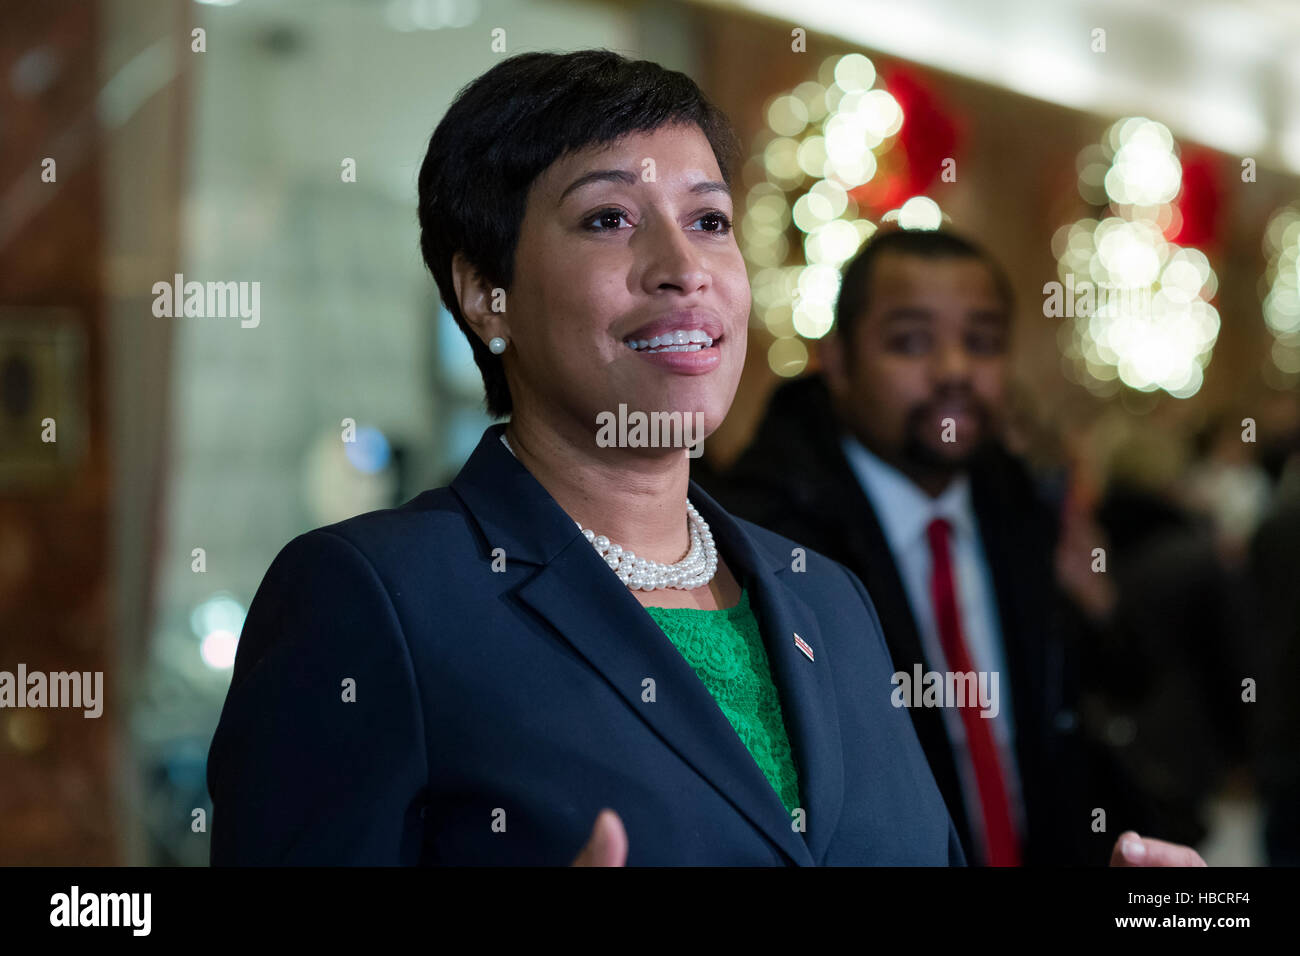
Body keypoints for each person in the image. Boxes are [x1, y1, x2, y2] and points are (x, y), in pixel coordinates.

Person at [205, 49, 964, 866]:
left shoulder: (832, 603)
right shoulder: (377, 599)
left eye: (709, 221)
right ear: (483, 294)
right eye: (609, 219)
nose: (684, 271)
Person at [702, 229, 1206, 866]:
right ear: (836, 359)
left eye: (983, 343)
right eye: (910, 342)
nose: (955, 371)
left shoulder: (1023, 511)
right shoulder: (762, 539)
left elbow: (1087, 712)